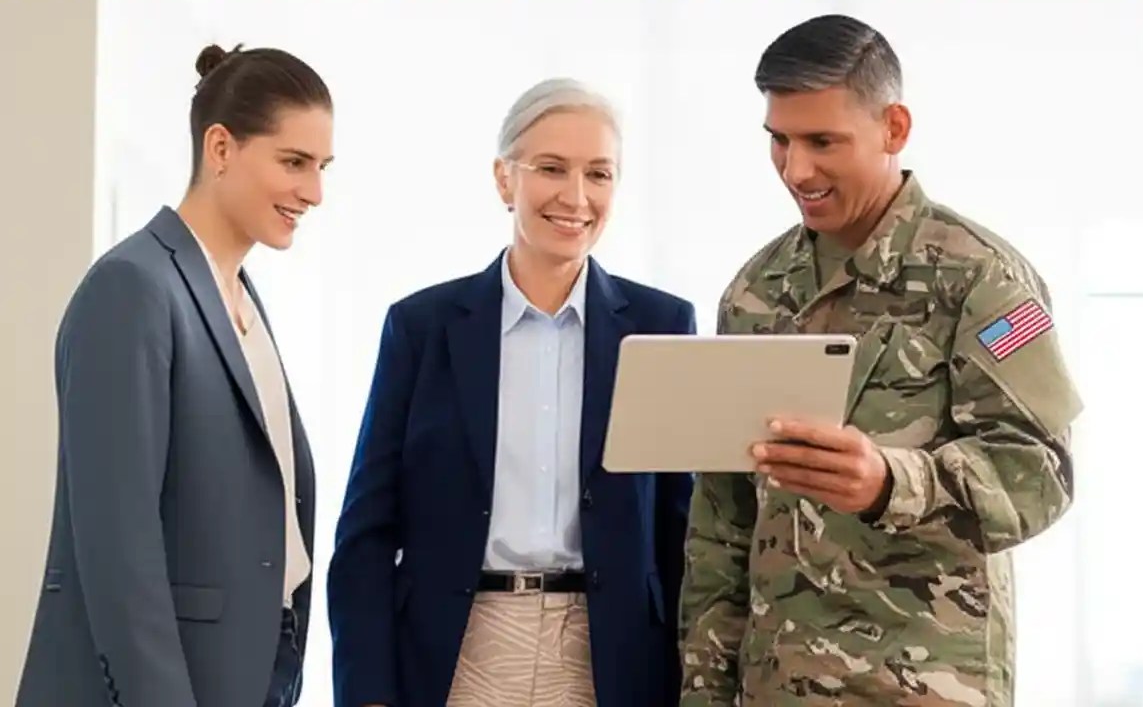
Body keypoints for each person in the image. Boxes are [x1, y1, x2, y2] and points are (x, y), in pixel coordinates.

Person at [678, 14, 1083, 707]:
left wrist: (892, 482)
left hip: (927, 686)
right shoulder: (754, 292)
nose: (795, 169)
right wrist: (704, 691)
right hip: (777, 688)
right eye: (779, 140)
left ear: (894, 128)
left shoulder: (983, 279)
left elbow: (1041, 474)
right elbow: (723, 521)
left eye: (822, 141)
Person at [327, 77, 695, 707]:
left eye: (599, 175)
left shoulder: (661, 326)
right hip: (459, 648)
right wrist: (366, 692)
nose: (576, 197)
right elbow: (365, 532)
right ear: (505, 179)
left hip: (610, 655)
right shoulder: (422, 328)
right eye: (551, 168)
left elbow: (681, 531)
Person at [16, 43, 334, 707]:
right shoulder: (132, 288)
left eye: (322, 167)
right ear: (220, 149)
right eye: (294, 162)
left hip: (252, 672)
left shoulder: (239, 296)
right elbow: (118, 549)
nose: (314, 192)